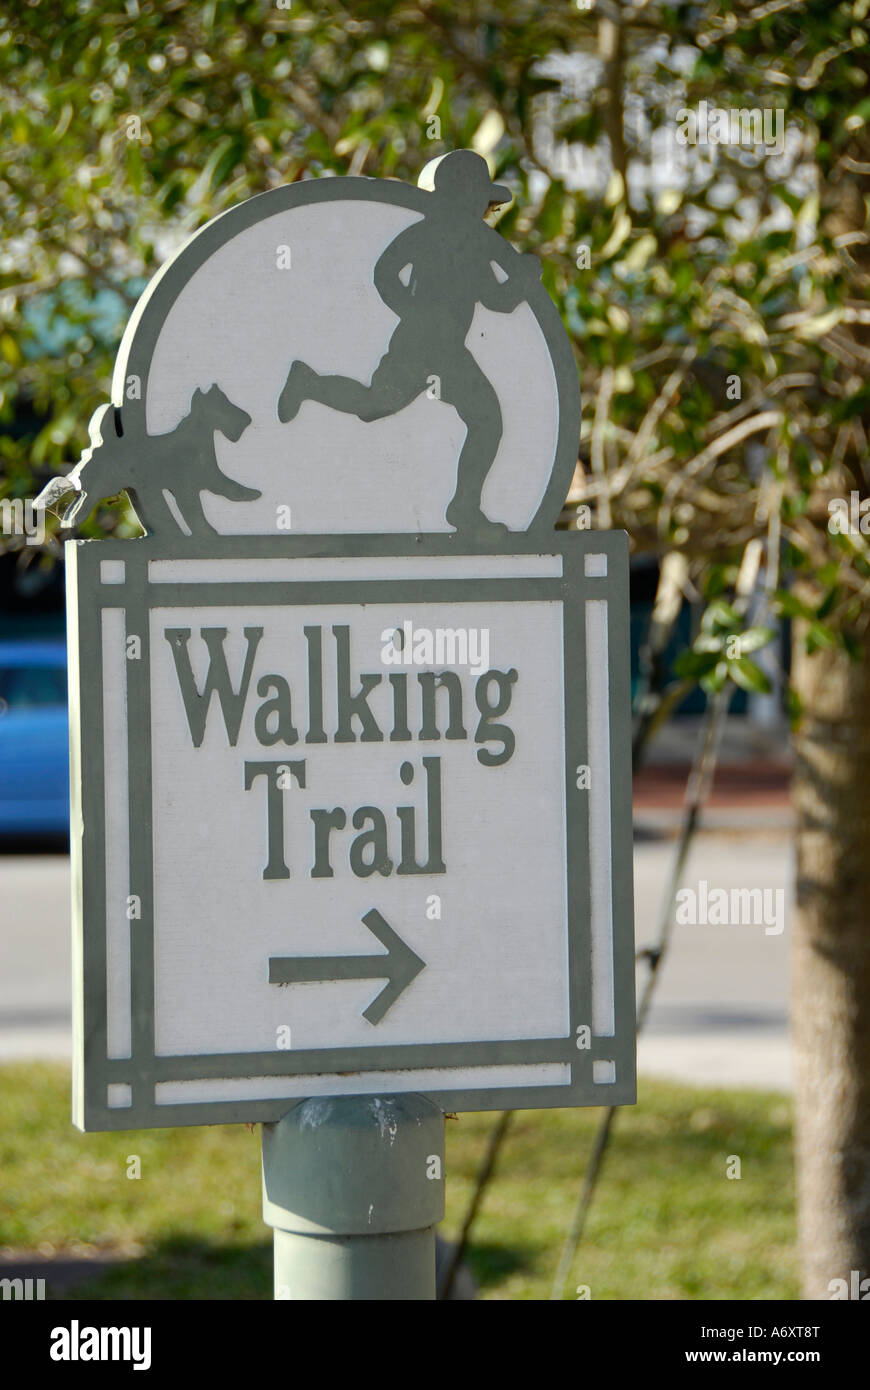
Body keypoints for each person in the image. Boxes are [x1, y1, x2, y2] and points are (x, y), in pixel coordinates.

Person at [277, 150, 542, 534]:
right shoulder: (427, 232)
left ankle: (464, 510)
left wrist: (523, 280)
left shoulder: (479, 244)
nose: (480, 210)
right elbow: (384, 272)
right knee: (375, 404)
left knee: (484, 419)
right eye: (476, 200)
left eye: (484, 205)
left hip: (449, 350)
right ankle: (308, 383)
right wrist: (414, 311)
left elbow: (497, 301)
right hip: (418, 343)